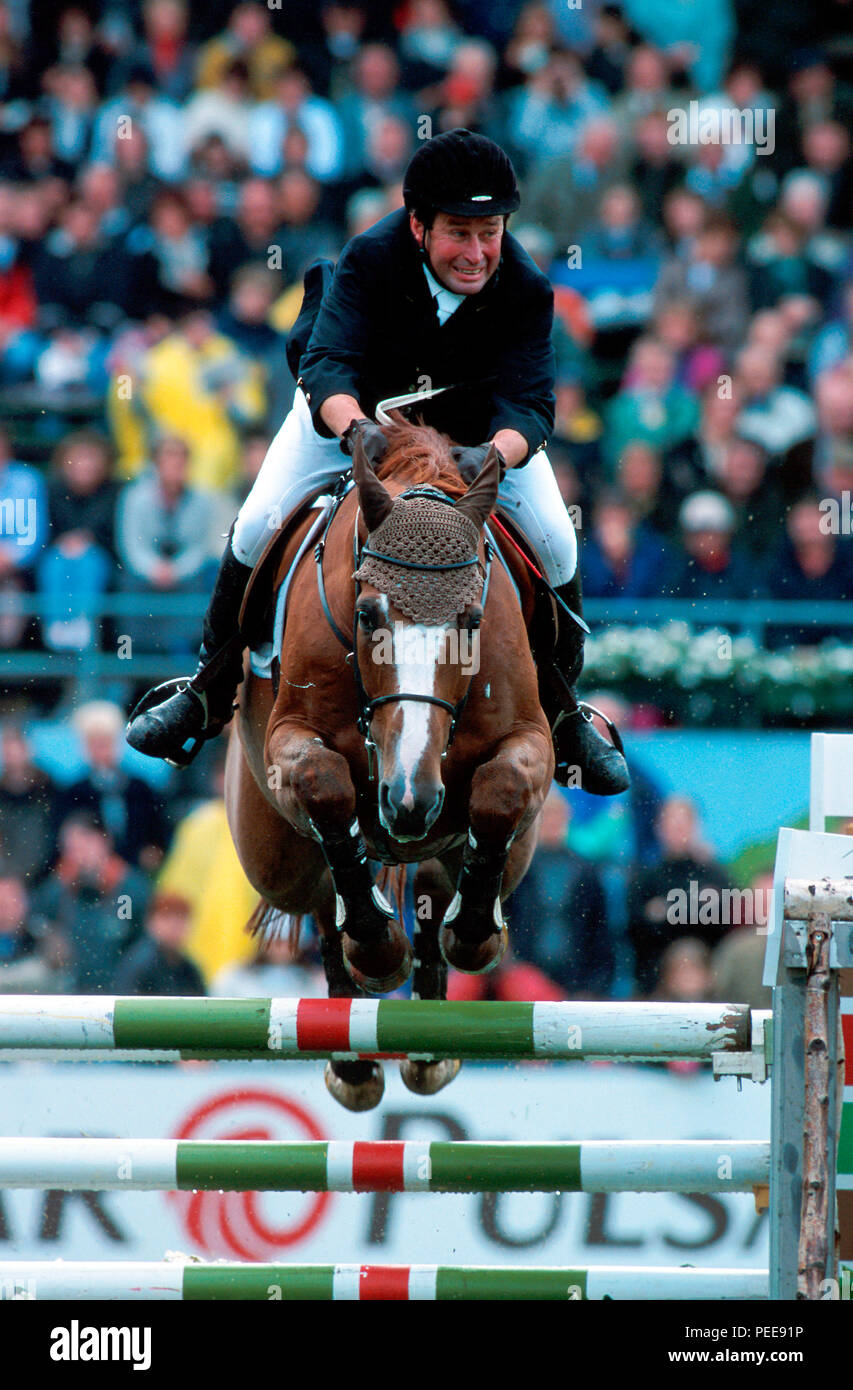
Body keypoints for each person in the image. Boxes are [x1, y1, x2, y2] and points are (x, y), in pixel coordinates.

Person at [127, 128, 629, 796]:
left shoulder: (527, 290)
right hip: (351, 423)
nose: (477, 253)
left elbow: (532, 405)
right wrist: (355, 426)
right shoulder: (371, 258)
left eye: (490, 232)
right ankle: (207, 690)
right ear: (419, 224)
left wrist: (491, 456)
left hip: (477, 445)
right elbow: (325, 364)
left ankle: (565, 717)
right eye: (460, 233)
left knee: (558, 547)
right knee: (254, 524)